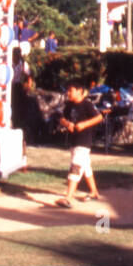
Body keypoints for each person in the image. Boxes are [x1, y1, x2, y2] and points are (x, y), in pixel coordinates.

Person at [56, 79, 103, 207]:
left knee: (75, 167)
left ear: (79, 91)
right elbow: (60, 118)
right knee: (86, 167)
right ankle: (94, 192)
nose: (68, 93)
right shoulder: (69, 105)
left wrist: (84, 124)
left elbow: (99, 117)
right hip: (74, 140)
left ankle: (68, 198)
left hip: (84, 141)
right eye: (68, 90)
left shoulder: (86, 104)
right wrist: (67, 124)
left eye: (71, 90)